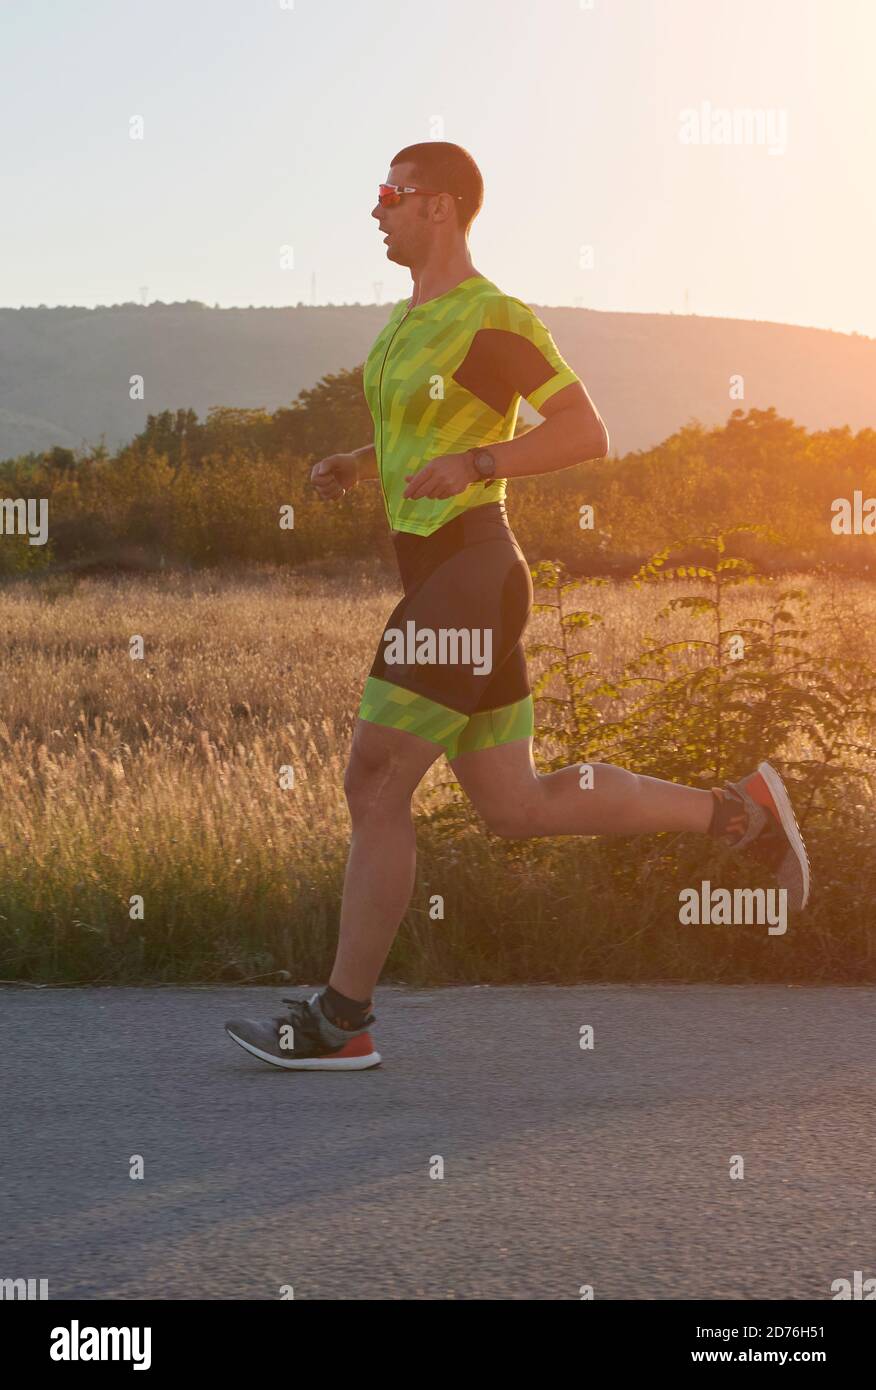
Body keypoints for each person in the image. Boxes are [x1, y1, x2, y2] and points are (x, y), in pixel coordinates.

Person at [225, 142, 810, 1071]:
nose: (375, 211)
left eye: (390, 194)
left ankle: (341, 1020)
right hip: (446, 579)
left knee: (373, 782)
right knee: (519, 805)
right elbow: (426, 439)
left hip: (471, 570)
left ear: (442, 207)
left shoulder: (492, 317)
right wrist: (360, 464)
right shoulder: (403, 325)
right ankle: (733, 812)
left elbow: (585, 429)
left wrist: (484, 463)